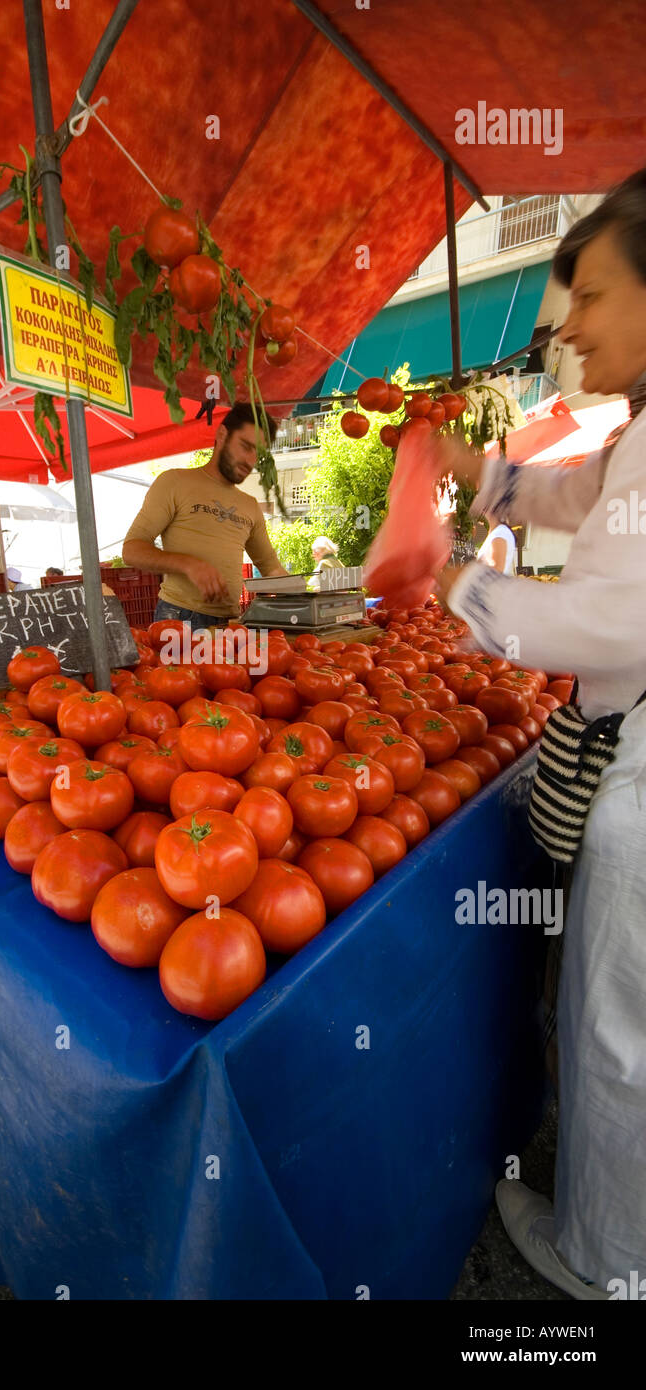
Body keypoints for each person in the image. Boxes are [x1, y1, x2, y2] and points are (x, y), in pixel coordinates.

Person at [432, 167, 646, 1300]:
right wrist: (476, 476)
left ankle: (604, 1260)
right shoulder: (637, 437)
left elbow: (616, 616)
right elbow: (572, 499)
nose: (565, 325)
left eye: (595, 295)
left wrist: (460, 586)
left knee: (621, 1030)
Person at [122, 401, 289, 630]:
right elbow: (132, 549)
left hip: (231, 622)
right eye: (245, 446)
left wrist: (310, 597)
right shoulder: (174, 482)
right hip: (179, 616)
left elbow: (272, 569)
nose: (250, 461)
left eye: (258, 454)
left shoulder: (250, 505)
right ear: (222, 435)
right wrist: (189, 564)